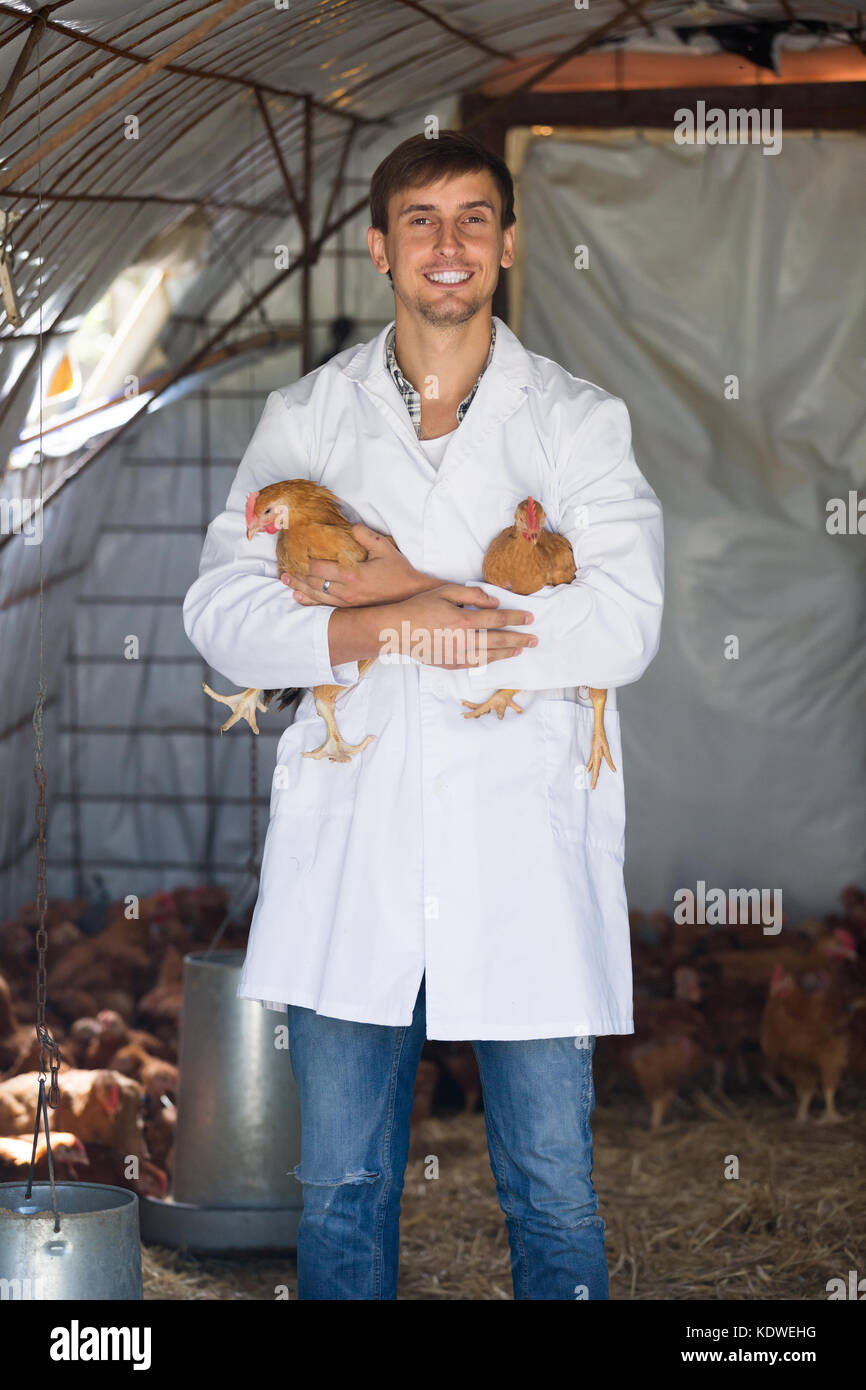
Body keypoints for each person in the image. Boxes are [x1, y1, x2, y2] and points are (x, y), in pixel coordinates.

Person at [183, 130, 664, 1300]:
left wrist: (410, 586)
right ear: (377, 249)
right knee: (342, 1185)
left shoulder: (576, 422)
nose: (445, 245)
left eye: (469, 220)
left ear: (505, 244)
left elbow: (625, 625)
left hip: (522, 844)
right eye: (418, 222)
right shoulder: (310, 419)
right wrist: (382, 615)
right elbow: (217, 611)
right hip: (362, 840)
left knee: (550, 1182)